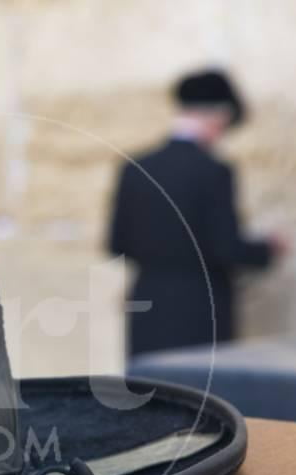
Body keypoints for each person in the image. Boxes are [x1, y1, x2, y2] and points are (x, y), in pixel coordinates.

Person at [108, 68, 285, 359]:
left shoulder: (134, 167)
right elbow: (225, 248)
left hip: (146, 305)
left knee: (150, 398)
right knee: (200, 398)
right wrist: (268, 248)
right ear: (220, 117)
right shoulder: (214, 171)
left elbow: (116, 243)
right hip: (200, 311)